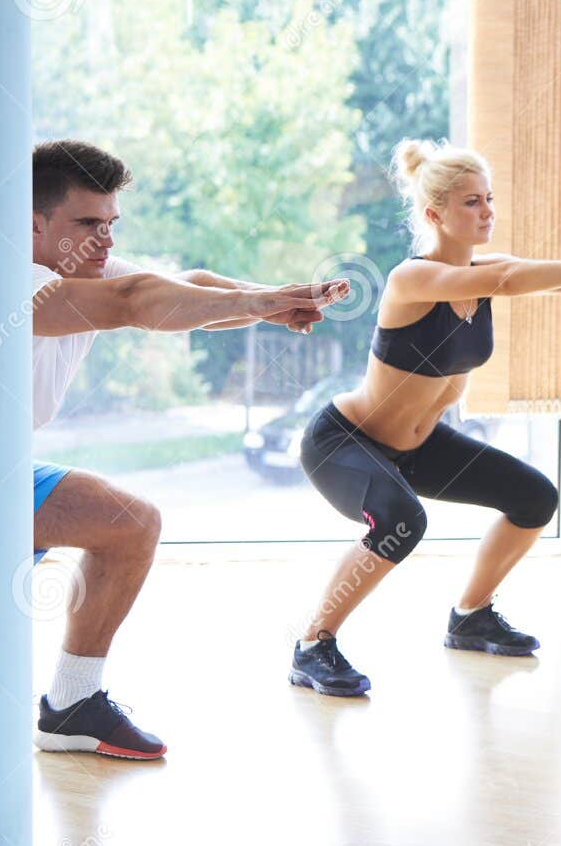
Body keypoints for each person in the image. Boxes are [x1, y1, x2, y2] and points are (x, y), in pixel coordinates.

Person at [291, 139, 561, 696]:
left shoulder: (484, 273)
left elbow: (543, 279)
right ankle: (313, 643)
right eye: (471, 203)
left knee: (534, 498)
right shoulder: (413, 278)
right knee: (401, 522)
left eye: (489, 199)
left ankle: (471, 616)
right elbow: (510, 279)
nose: (487, 212)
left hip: (420, 444)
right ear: (435, 215)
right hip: (346, 442)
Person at [30, 139, 346, 759]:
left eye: (112, 224)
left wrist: (273, 301)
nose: (107, 241)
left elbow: (182, 290)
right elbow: (134, 303)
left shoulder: (87, 274)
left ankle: (71, 706)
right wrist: (259, 303)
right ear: (32, 224)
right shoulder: (23, 279)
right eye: (88, 225)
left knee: (130, 524)